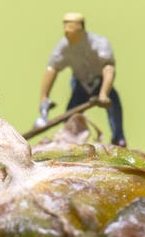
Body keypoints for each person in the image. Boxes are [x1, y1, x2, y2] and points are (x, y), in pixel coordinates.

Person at [36, 13, 126, 147]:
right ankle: (69, 141)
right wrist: (44, 97)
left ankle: (118, 138)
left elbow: (108, 69)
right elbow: (52, 69)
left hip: (101, 82)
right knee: (70, 116)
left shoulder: (99, 43)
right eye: (66, 27)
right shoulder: (63, 47)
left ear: (80, 28)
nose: (67, 31)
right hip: (80, 84)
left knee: (114, 107)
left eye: (71, 27)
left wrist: (104, 93)